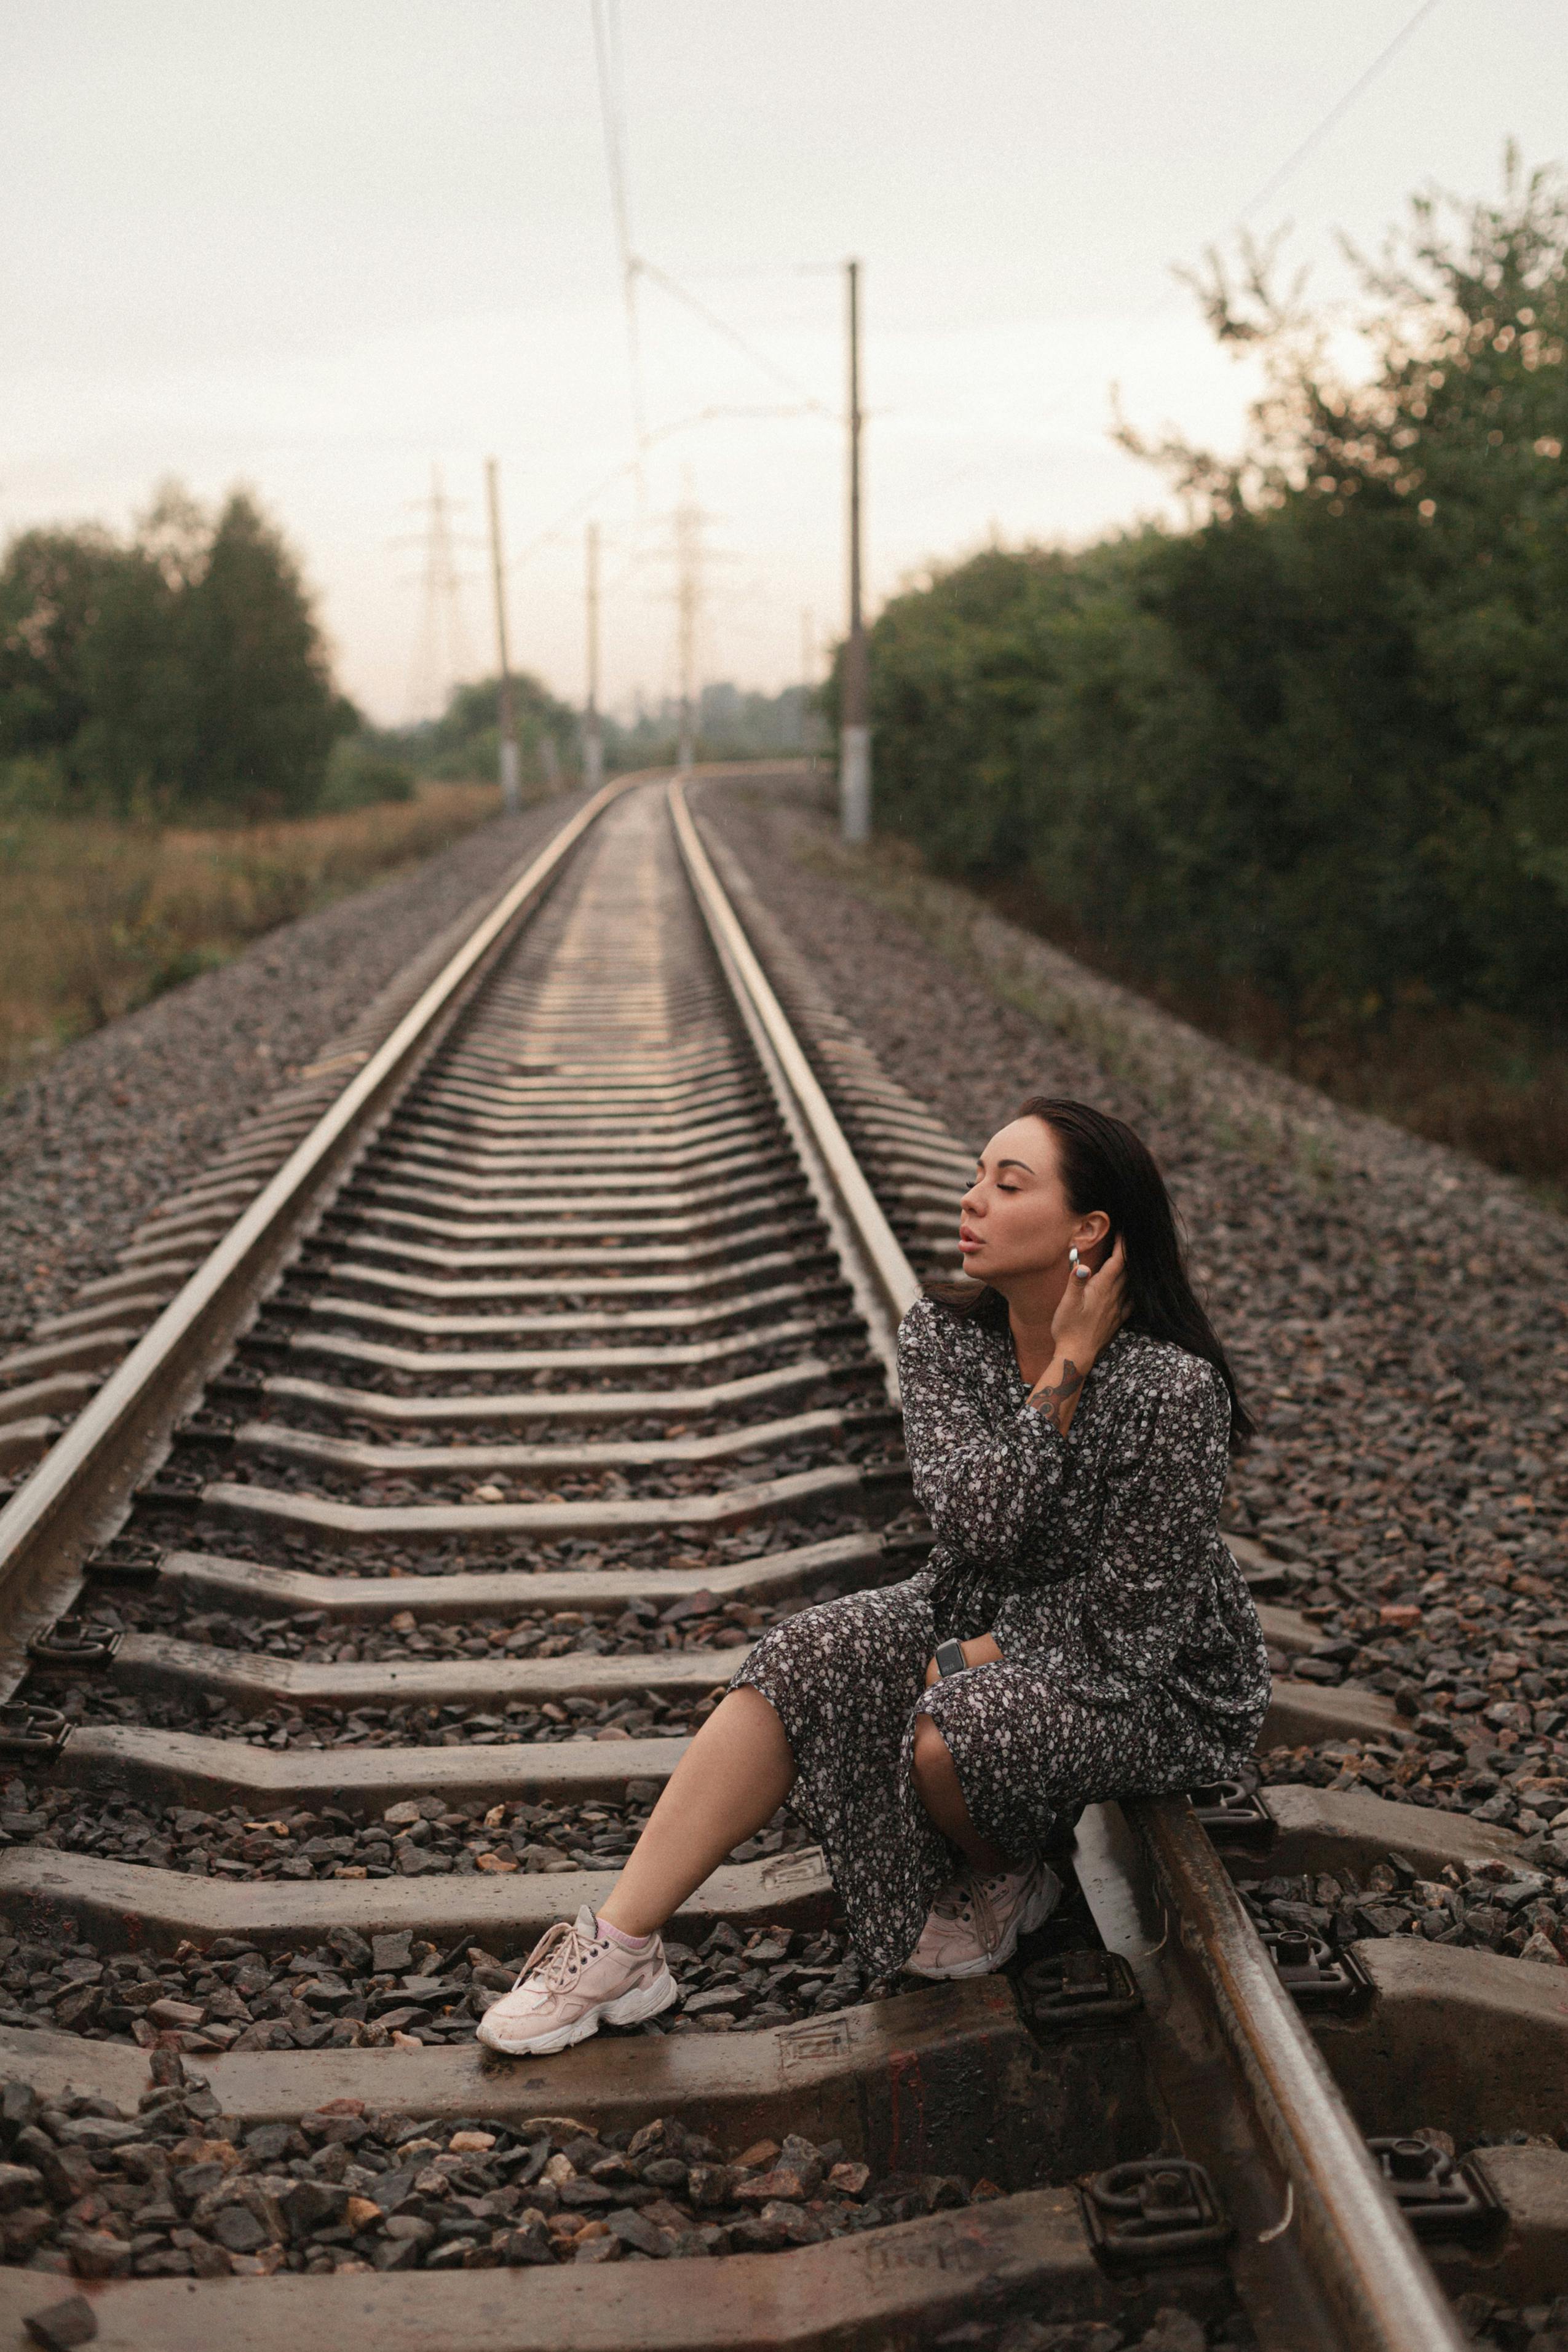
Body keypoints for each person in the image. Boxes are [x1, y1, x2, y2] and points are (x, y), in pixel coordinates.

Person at [475, 1095, 1271, 2056]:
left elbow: (1137, 1621)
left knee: (956, 1735)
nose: (970, 1198)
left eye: (1006, 1184)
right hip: (984, 1602)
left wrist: (981, 1651)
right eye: (975, 1175)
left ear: (1089, 1229)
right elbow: (974, 1521)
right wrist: (1064, 1365)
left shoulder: (1172, 1387)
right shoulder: (945, 1337)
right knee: (803, 1655)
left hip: (1161, 1677)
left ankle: (1000, 1867)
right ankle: (620, 1945)